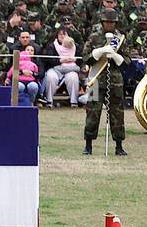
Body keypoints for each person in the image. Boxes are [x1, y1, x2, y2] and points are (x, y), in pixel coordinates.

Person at [83, 9, 129, 156]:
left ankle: (119, 145)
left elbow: (127, 62)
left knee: (117, 114)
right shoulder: (94, 36)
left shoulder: (120, 38)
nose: (109, 24)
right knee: (92, 113)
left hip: (115, 81)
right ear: (102, 22)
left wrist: (115, 56)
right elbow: (86, 57)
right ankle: (88, 145)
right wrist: (100, 51)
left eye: (112, 22)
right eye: (107, 22)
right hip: (96, 80)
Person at [43, 28, 83, 106]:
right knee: (51, 77)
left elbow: (81, 59)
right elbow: (48, 59)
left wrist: (74, 59)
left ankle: (73, 101)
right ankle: (49, 100)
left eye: (64, 34)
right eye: (60, 34)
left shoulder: (76, 46)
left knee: (73, 77)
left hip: (71, 68)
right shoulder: (52, 45)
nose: (62, 36)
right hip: (55, 68)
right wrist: (61, 60)